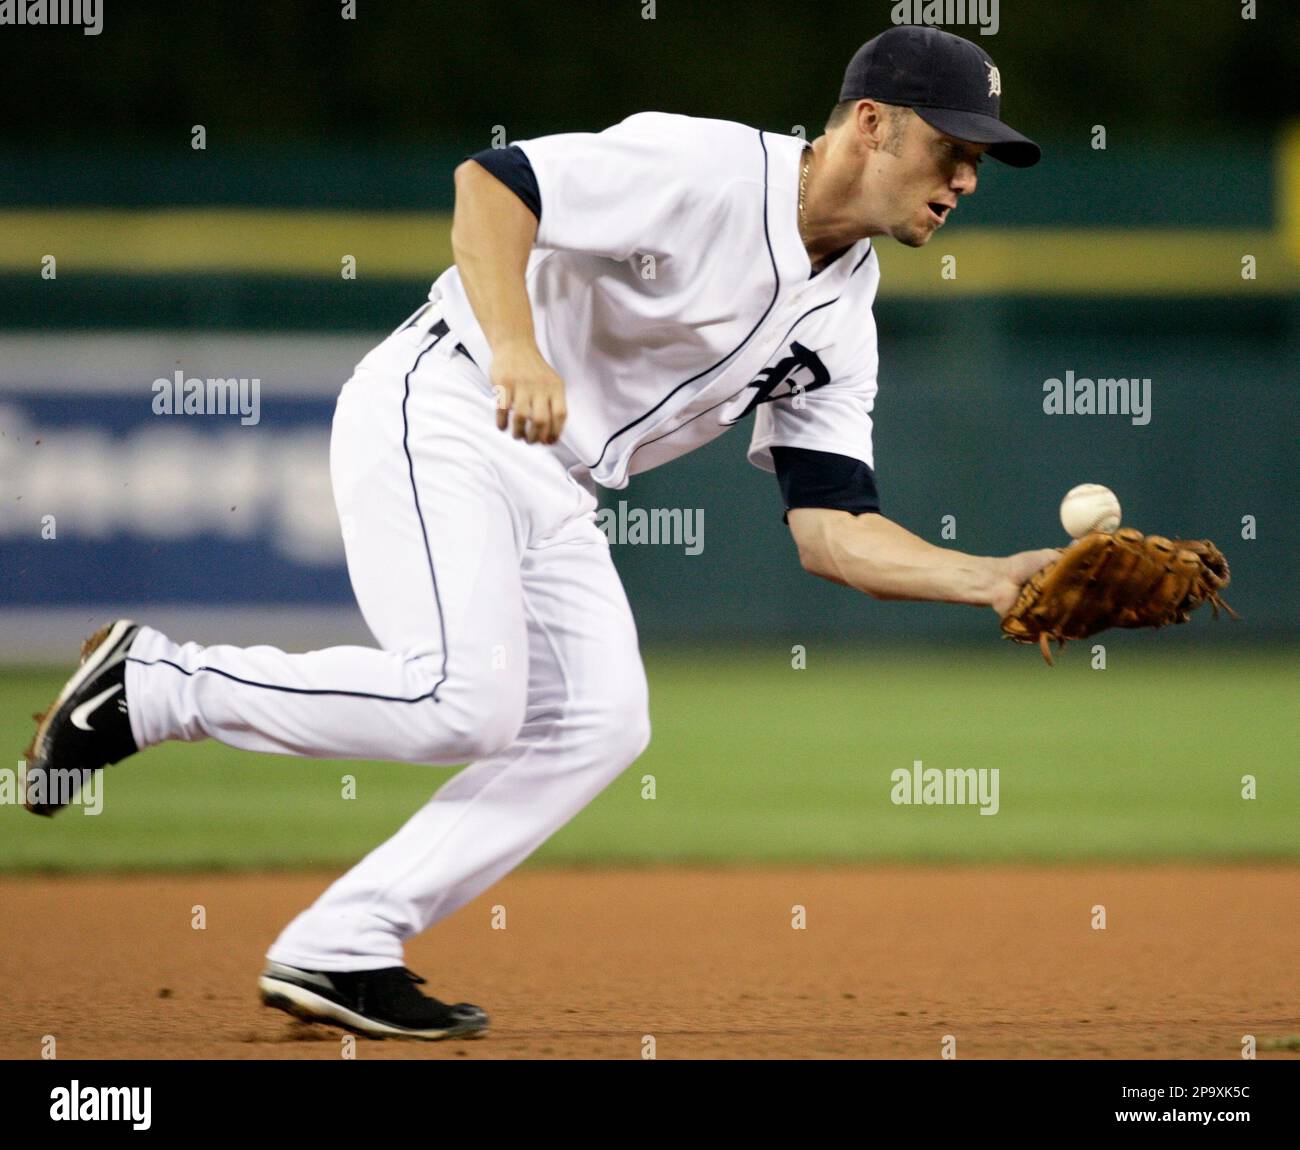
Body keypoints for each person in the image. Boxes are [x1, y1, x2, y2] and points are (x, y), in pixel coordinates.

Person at [23, 25, 1058, 1041]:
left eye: (980, 160)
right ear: (869, 124)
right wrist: (518, 345)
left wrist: (992, 580)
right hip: (449, 397)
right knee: (461, 700)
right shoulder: (704, 167)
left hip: (556, 479)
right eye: (951, 148)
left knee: (601, 722)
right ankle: (155, 687)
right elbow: (492, 183)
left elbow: (832, 533)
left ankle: (342, 942)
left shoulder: (844, 317)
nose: (966, 177)